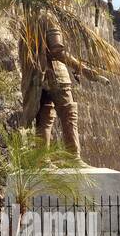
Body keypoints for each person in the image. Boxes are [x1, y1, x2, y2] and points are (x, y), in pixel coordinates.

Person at [19, 14, 110, 162]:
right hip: (56, 75)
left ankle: (42, 160)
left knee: (44, 117)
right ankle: (74, 158)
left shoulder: (28, 19)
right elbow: (57, 50)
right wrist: (84, 70)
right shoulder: (49, 17)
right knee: (68, 115)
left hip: (36, 76)